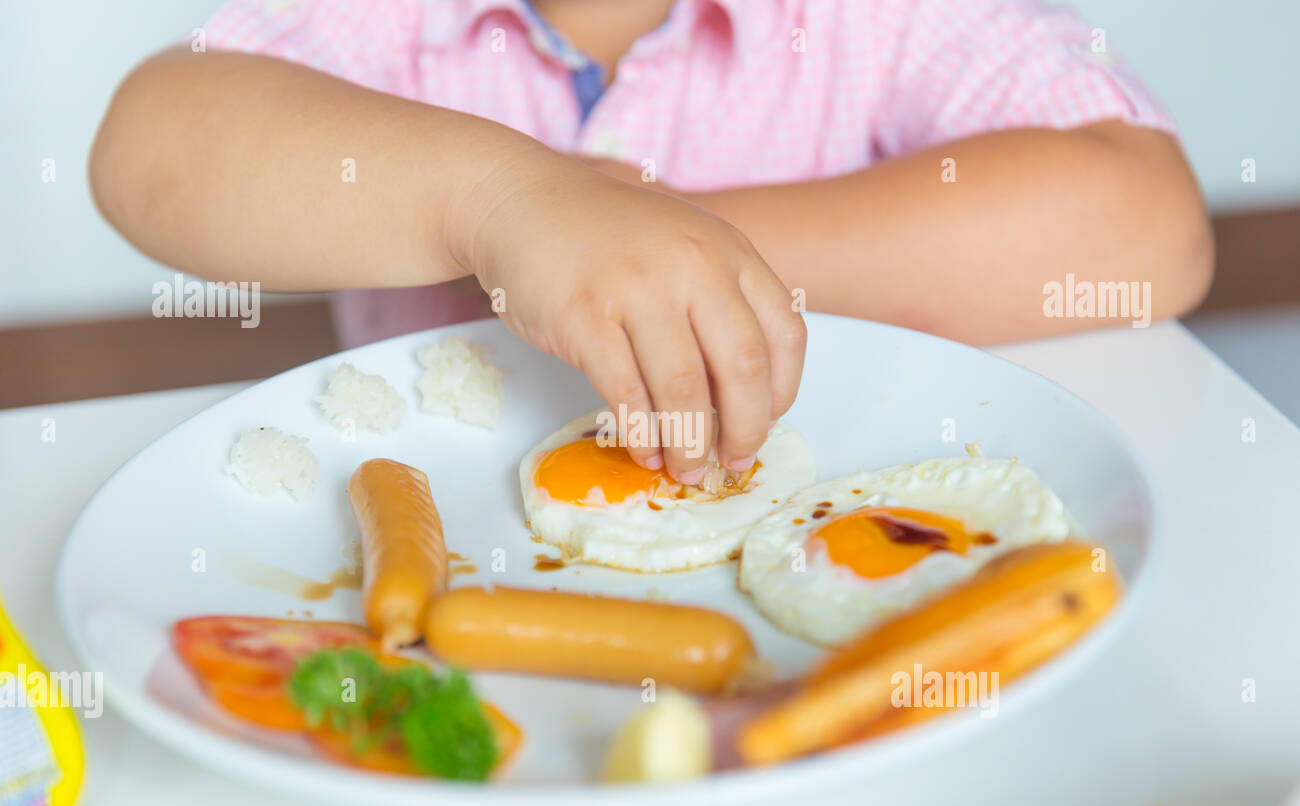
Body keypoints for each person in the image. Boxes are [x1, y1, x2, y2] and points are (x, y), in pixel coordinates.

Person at [90, 0, 1213, 482]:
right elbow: (152, 151)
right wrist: (501, 203)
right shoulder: (384, 20)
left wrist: (651, 251)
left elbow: (1145, 225)